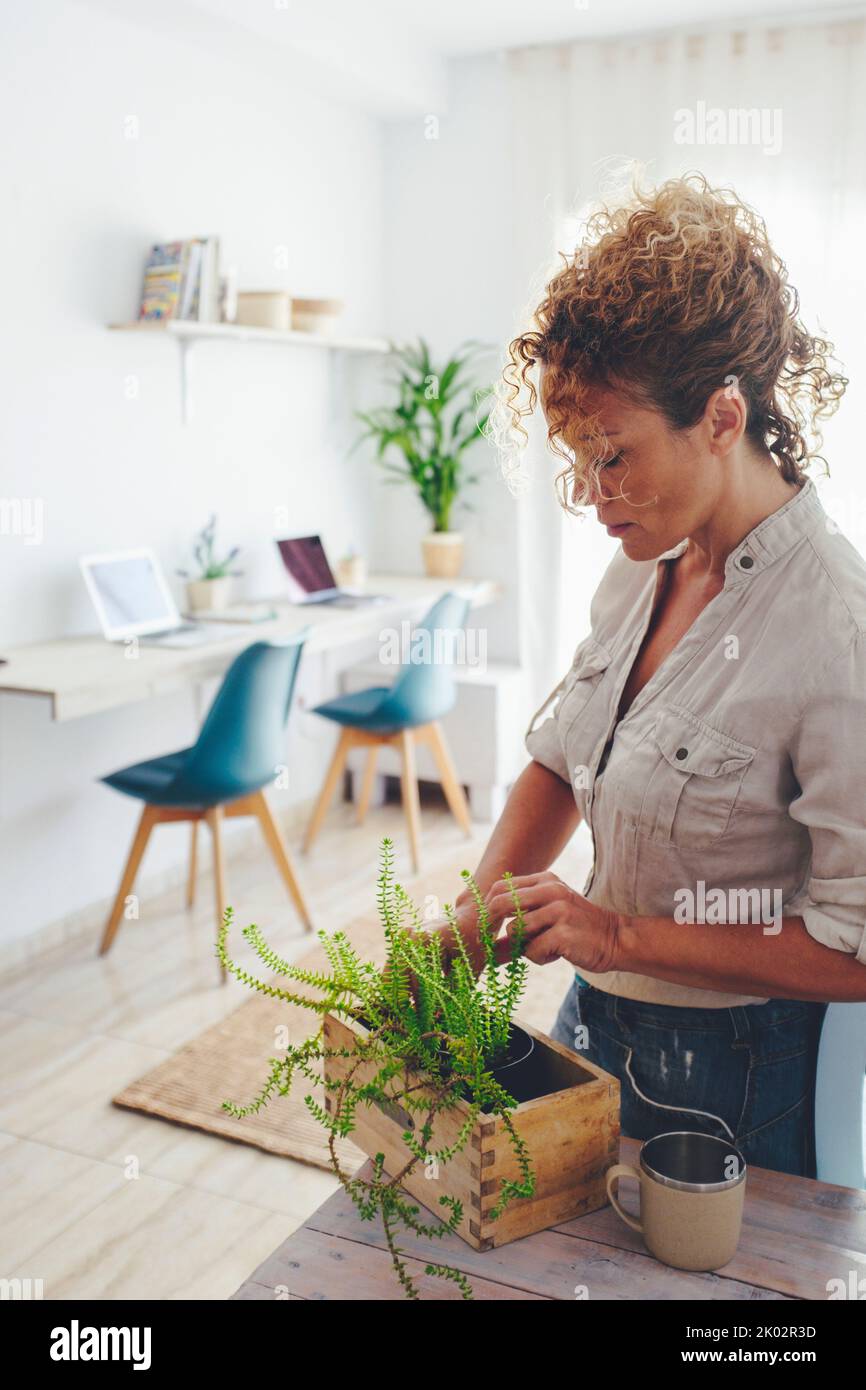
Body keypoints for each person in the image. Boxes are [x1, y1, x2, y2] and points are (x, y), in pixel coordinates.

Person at [440, 173, 866, 1178]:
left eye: (613, 456)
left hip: (738, 1072)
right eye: (575, 460)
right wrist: (467, 921)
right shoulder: (644, 561)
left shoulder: (835, 631)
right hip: (595, 1015)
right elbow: (557, 758)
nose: (590, 496)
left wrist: (613, 929)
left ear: (722, 416)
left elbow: (849, 949)